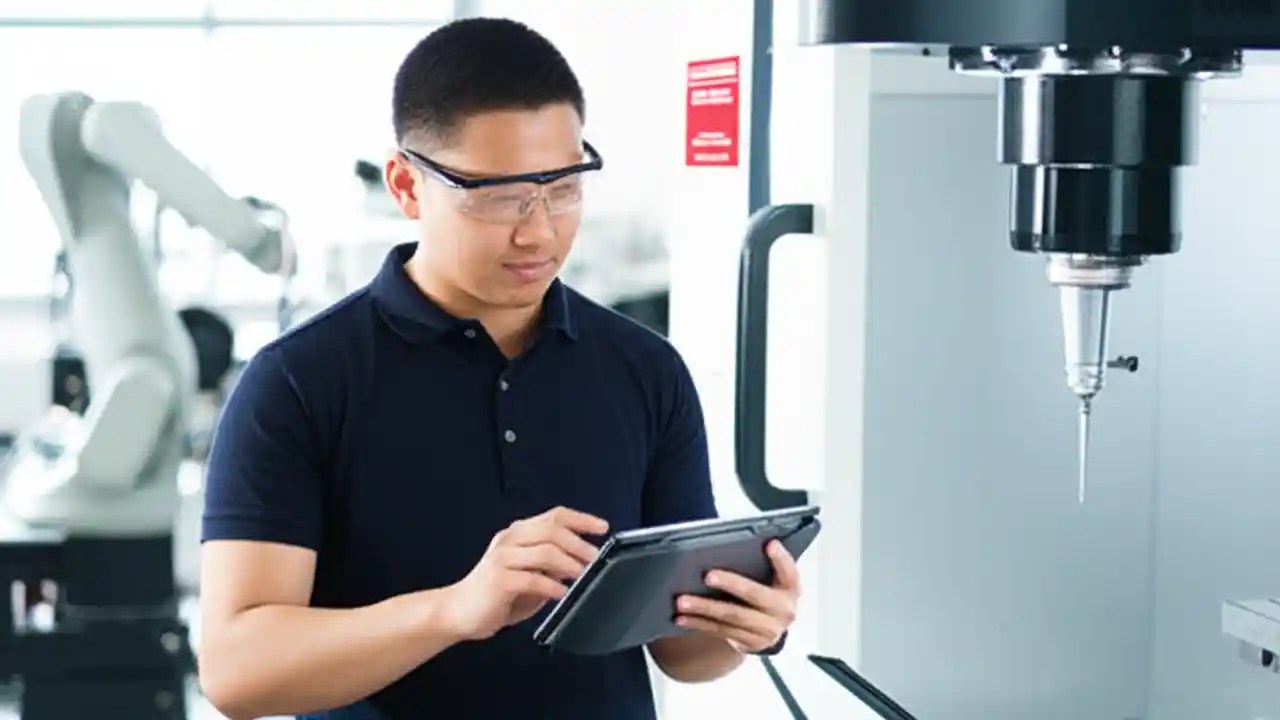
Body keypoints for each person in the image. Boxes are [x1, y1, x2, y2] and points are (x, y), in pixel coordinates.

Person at [196, 16, 803, 720]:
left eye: (564, 187)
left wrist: (747, 623)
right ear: (406, 185)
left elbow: (683, 652)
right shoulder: (299, 382)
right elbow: (237, 672)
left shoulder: (645, 369)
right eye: (499, 196)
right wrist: (455, 610)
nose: (539, 230)